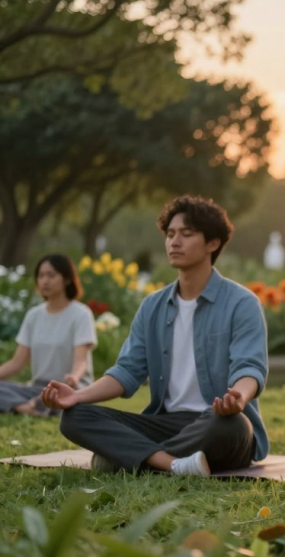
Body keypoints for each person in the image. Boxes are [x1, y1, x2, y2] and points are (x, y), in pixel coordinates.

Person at [41, 195, 270, 476]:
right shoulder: (153, 306)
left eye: (186, 234)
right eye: (170, 234)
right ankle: (171, 464)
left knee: (233, 425)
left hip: (216, 419)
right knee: (75, 416)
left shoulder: (241, 303)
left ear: (213, 243)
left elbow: (249, 367)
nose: (175, 242)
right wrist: (78, 396)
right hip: (165, 423)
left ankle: (127, 456)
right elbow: (127, 372)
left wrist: (238, 398)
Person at [0, 254, 96, 416]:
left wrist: (73, 378)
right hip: (39, 389)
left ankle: (31, 406)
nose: (45, 281)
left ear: (67, 279)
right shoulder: (33, 315)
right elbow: (17, 363)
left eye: (51, 275)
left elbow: (81, 361)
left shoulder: (81, 314)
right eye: (41, 276)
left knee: (58, 397)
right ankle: (25, 407)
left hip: (71, 389)